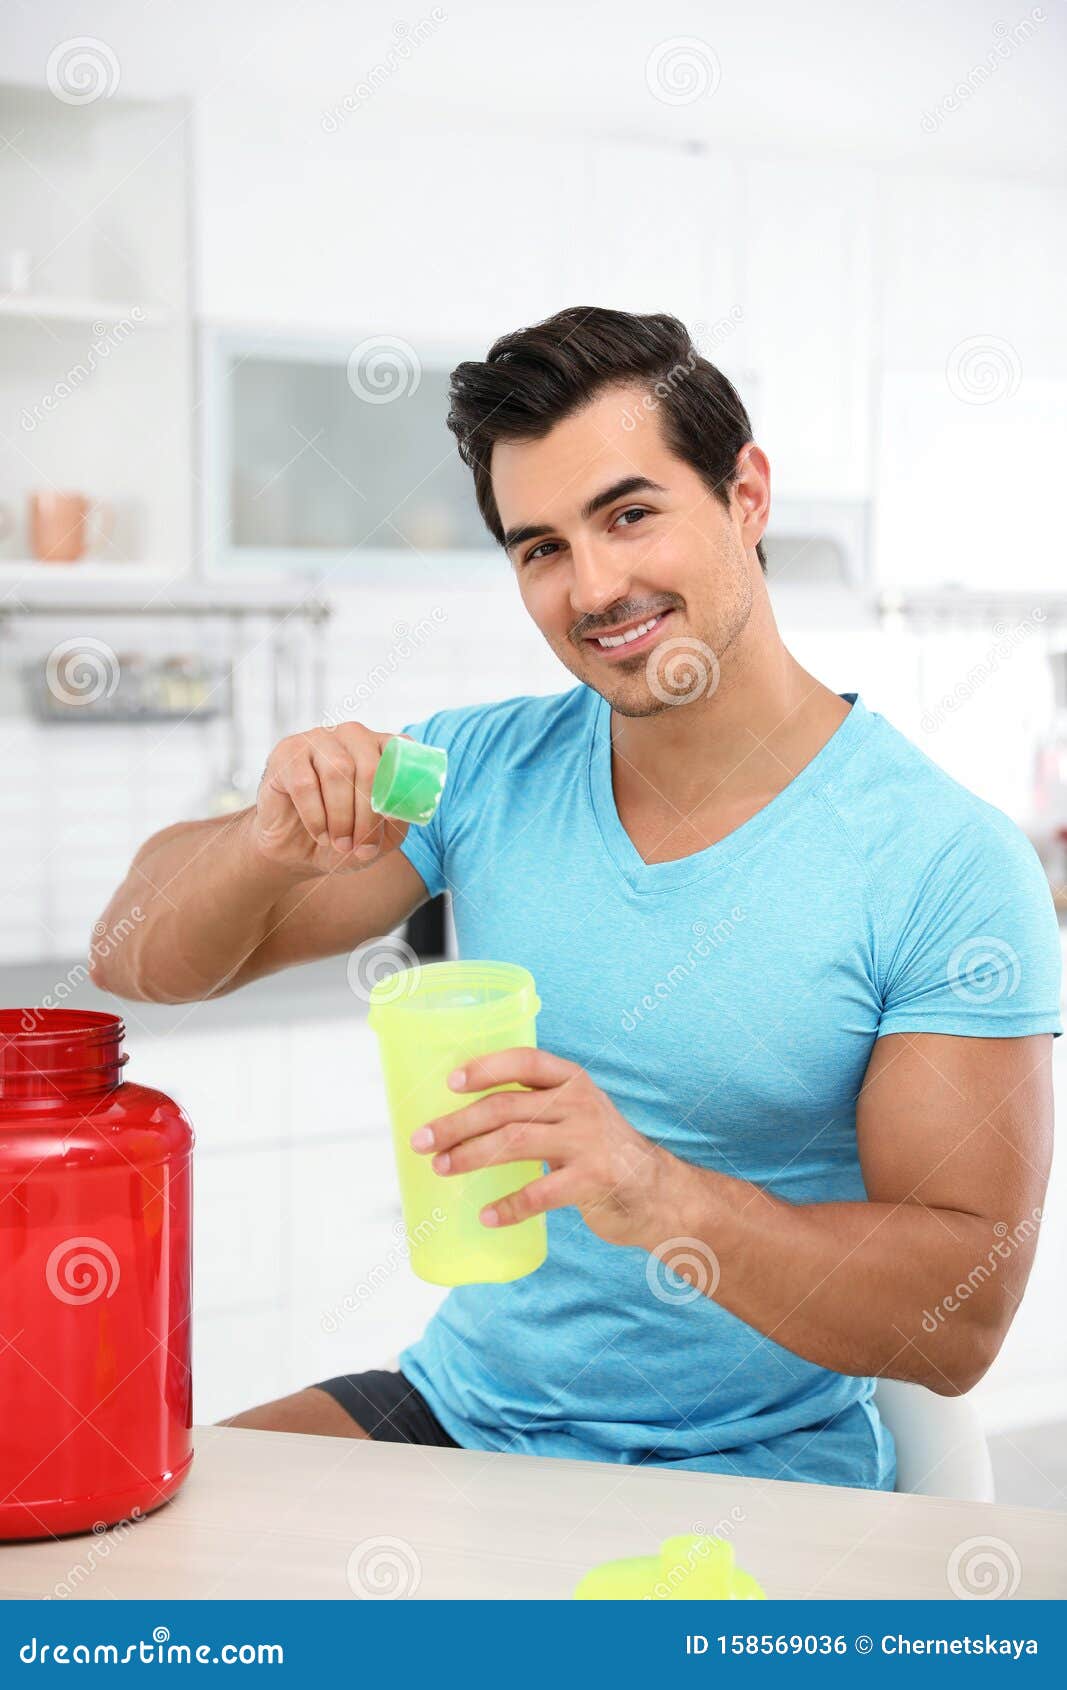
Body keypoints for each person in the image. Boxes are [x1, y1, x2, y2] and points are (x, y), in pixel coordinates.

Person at [93, 307, 1061, 1489]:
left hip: (747, 1465)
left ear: (745, 496)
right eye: (540, 547)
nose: (593, 586)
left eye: (629, 514)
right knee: (130, 1521)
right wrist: (266, 838)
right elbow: (134, 958)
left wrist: (650, 1190)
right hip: (464, 1409)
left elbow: (957, 1324)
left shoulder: (943, 862)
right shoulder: (475, 771)